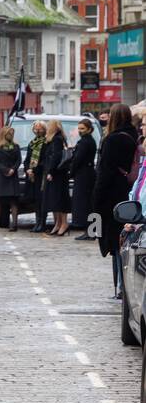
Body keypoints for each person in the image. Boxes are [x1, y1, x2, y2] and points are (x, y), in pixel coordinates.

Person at [94, 103, 138, 297]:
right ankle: (123, 285)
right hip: (131, 191)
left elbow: (105, 172)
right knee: (127, 240)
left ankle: (120, 286)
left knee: (115, 242)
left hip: (112, 195)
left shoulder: (112, 140)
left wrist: (96, 198)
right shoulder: (135, 136)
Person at [40, 118, 71, 237]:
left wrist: (51, 171)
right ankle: (58, 223)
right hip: (55, 172)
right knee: (54, 200)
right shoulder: (54, 139)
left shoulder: (57, 139)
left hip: (57, 174)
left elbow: (56, 156)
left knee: (59, 199)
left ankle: (63, 223)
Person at [69, 119, 98, 239]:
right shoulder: (86, 141)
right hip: (86, 174)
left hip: (84, 175)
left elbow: (77, 159)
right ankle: (90, 231)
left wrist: (71, 171)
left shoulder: (85, 142)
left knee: (85, 204)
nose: (80, 131)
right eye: (79, 128)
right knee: (87, 204)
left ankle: (90, 231)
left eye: (83, 129)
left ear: (89, 129)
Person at [0, 126, 22, 231]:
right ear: (4, 134)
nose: (11, 136)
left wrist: (13, 169)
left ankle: (14, 224)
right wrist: (5, 170)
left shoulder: (16, 146)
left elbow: (18, 160)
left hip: (12, 176)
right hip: (0, 176)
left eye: (12, 134)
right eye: (9, 133)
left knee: (13, 201)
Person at [24, 120, 47, 233]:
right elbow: (27, 159)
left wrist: (34, 169)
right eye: (36, 128)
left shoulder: (46, 143)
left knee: (42, 200)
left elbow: (45, 160)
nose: (37, 130)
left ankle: (42, 223)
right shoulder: (32, 143)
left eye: (40, 128)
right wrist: (27, 169)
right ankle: (37, 222)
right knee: (35, 200)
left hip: (41, 175)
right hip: (32, 176)